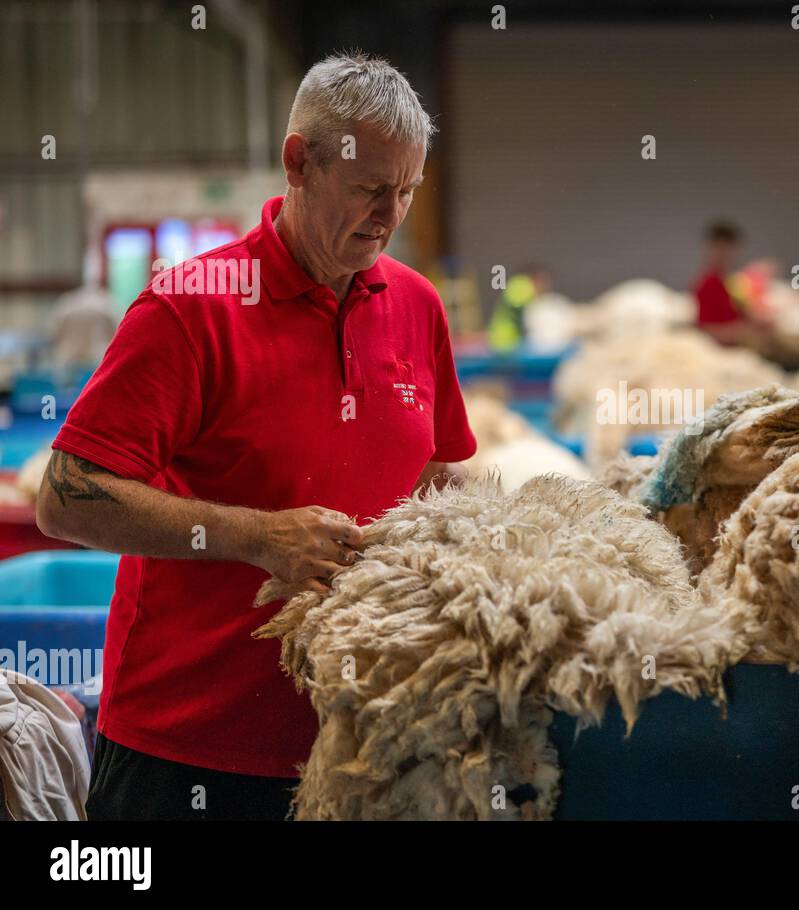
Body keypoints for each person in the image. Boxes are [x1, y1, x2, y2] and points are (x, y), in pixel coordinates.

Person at [34, 53, 477, 820]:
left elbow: (439, 476)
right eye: (370, 188)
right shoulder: (190, 309)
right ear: (299, 162)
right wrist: (259, 537)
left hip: (359, 741)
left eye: (406, 190)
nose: (390, 214)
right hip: (186, 749)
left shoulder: (416, 306)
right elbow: (66, 498)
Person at [693, 220, 748, 344]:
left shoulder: (732, 282)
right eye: (719, 248)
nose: (724, 254)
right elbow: (705, 331)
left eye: (728, 249)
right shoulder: (708, 283)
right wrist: (743, 331)